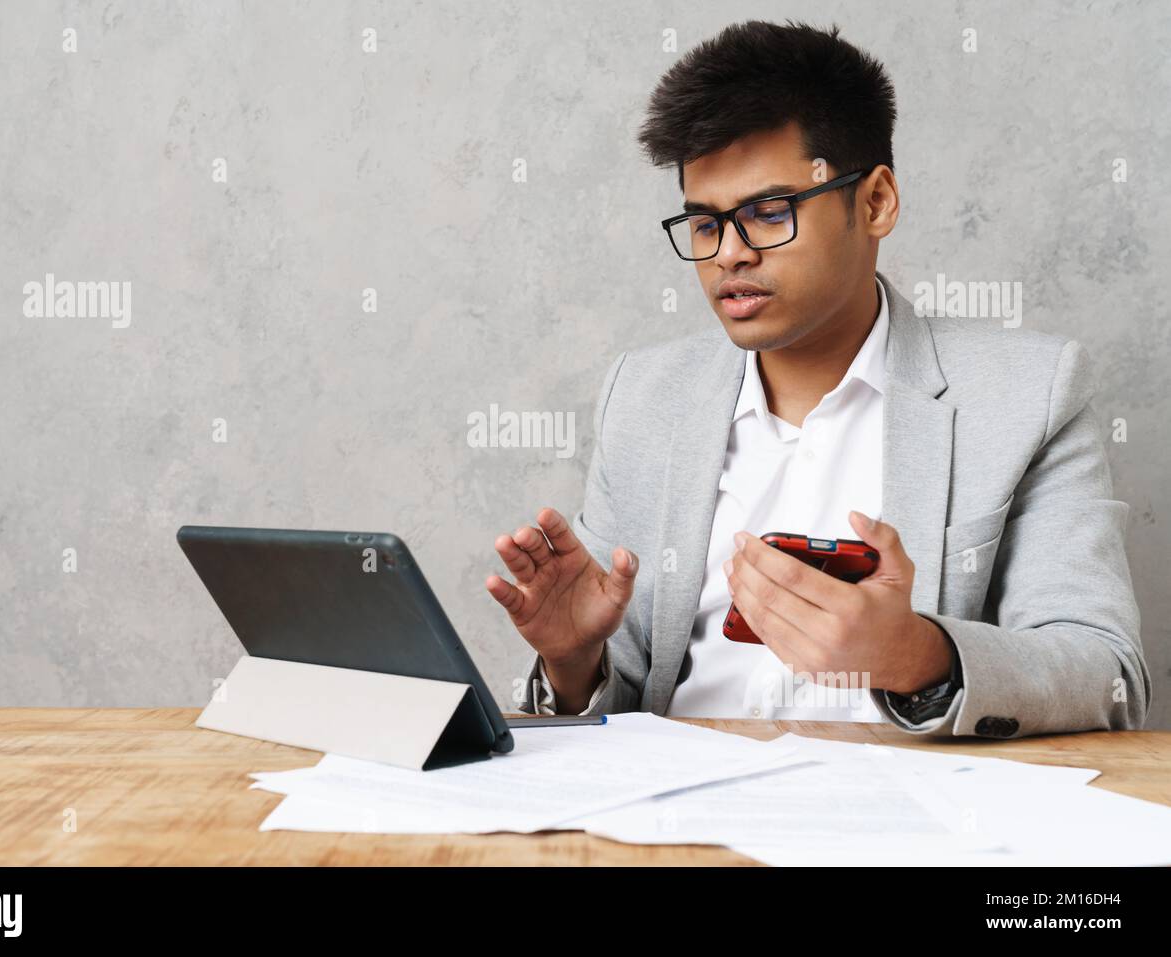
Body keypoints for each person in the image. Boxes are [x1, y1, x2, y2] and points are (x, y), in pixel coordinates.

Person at [484, 20, 1148, 736]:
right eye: (705, 224)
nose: (730, 255)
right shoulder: (643, 397)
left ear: (875, 203)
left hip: (897, 826)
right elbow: (622, 692)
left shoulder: (1029, 393)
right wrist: (573, 659)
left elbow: (1106, 673)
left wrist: (916, 655)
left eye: (769, 214)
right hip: (673, 822)